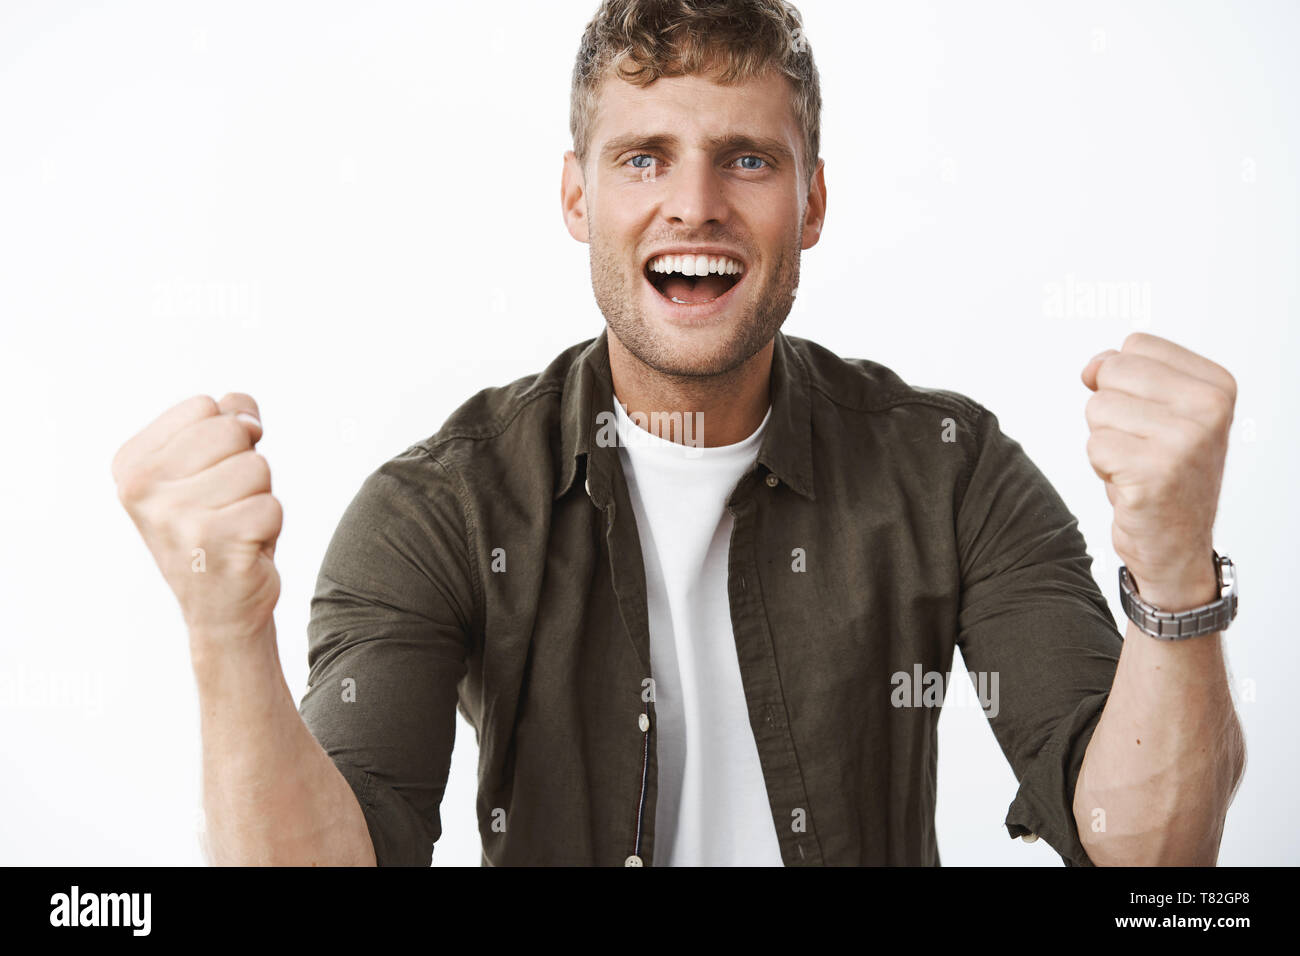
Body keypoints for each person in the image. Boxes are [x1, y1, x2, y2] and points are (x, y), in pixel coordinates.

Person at [112, 0, 1245, 866]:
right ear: (577, 198)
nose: (693, 201)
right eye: (642, 156)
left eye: (746, 159)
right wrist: (226, 630)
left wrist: (1175, 561)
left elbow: (1144, 849)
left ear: (810, 203)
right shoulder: (439, 509)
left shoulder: (951, 471)